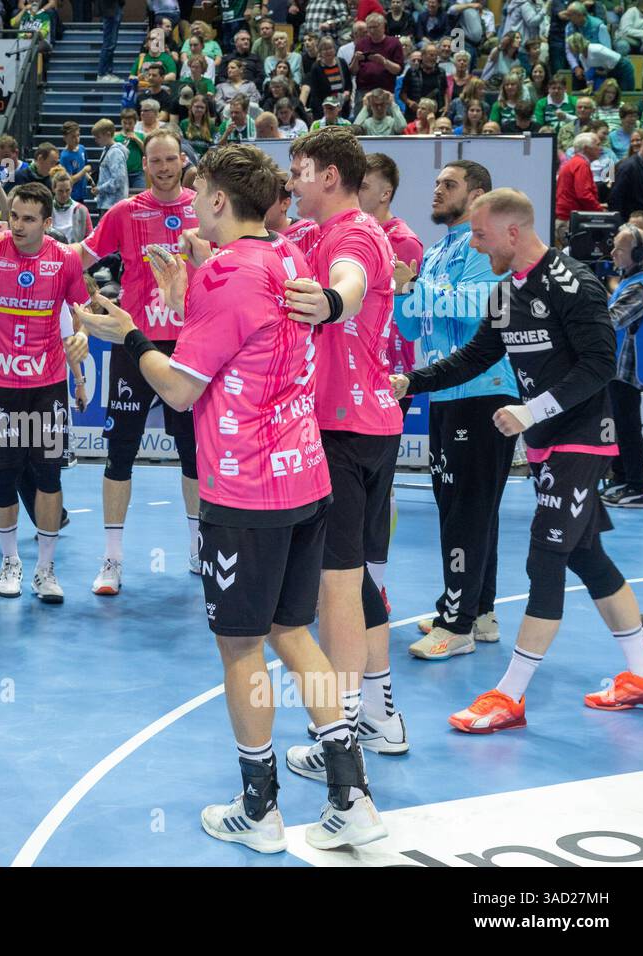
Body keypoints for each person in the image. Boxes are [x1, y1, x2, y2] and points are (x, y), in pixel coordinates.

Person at [78, 142, 387, 850]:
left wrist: (126, 335)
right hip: (304, 475)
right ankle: (353, 795)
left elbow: (182, 390)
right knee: (291, 633)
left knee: (241, 649)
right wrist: (191, 293)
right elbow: (245, 338)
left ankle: (260, 809)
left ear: (217, 200)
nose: (190, 206)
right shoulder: (287, 258)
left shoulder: (228, 270)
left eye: (199, 195)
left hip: (245, 490)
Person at [393, 188, 643, 730]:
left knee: (545, 558)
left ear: (513, 232)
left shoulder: (574, 283)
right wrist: (410, 382)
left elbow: (598, 365)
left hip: (583, 438)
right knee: (585, 556)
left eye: (481, 233)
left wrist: (530, 410)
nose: (474, 242)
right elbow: (474, 357)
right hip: (547, 442)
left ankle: (510, 696)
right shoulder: (503, 293)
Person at [281, 126, 409, 767]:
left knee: (335, 587)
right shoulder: (320, 231)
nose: (291, 179)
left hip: (344, 429)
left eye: (299, 169)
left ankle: (344, 732)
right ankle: (382, 718)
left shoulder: (353, 233)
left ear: (329, 176)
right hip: (370, 424)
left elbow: (349, 282)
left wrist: (331, 302)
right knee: (355, 582)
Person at [395, 161, 518, 657]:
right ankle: (479, 611)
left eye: (449, 184)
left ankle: (458, 624)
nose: (437, 191)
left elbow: (482, 301)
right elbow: (409, 328)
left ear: (478, 194)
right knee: (464, 509)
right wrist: (407, 291)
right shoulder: (436, 250)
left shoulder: (482, 246)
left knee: (467, 511)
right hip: (446, 390)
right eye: (437, 183)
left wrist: (416, 288)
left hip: (484, 391)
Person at [0, 181, 88, 602]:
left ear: (47, 222)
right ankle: (10, 561)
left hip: (46, 387)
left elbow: (82, 311)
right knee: (4, 479)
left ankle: (46, 569)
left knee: (48, 476)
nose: (18, 226)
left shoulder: (64, 260)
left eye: (29, 219)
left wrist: (80, 336)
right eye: (15, 217)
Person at [74, 128, 200, 595]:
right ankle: (112, 560)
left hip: (191, 346)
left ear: (183, 160)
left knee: (194, 454)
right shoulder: (125, 212)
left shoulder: (202, 208)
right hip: (134, 341)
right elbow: (82, 259)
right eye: (155, 161)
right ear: (143, 165)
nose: (164, 167)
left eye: (171, 159)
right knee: (119, 453)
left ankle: (197, 547)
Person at [355, 152, 420, 613]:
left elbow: (405, 313)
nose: (357, 189)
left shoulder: (404, 242)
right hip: (352, 375)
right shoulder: (348, 233)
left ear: (386, 193)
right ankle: (349, 577)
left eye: (366, 183)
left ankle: (375, 582)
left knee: (381, 484)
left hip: (388, 378)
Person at [601, 224, 643, 508]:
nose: (612, 253)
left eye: (619, 249)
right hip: (621, 365)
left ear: (636, 253)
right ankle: (623, 479)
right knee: (621, 426)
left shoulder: (642, 285)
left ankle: (637, 487)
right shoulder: (633, 279)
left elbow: (614, 319)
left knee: (628, 427)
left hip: (629, 368)